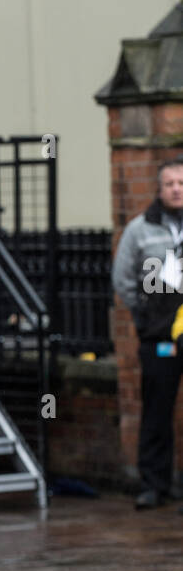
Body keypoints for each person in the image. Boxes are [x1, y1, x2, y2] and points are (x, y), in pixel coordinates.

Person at [112, 156, 183, 509]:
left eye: (181, 183)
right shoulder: (141, 229)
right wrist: (144, 315)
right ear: (159, 189)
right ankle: (154, 484)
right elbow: (123, 278)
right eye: (170, 183)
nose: (176, 189)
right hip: (159, 335)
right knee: (156, 409)